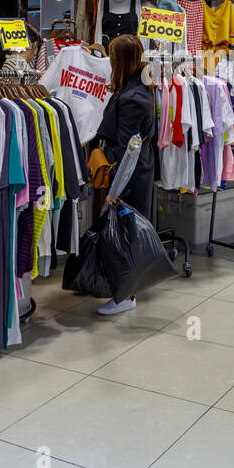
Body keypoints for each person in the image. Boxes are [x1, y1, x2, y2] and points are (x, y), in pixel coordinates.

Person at [91, 33, 156, 315]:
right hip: (132, 171)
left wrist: (115, 191)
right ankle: (124, 291)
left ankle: (125, 296)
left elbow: (126, 147)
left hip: (128, 175)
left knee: (125, 233)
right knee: (124, 231)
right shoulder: (135, 89)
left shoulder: (133, 97)